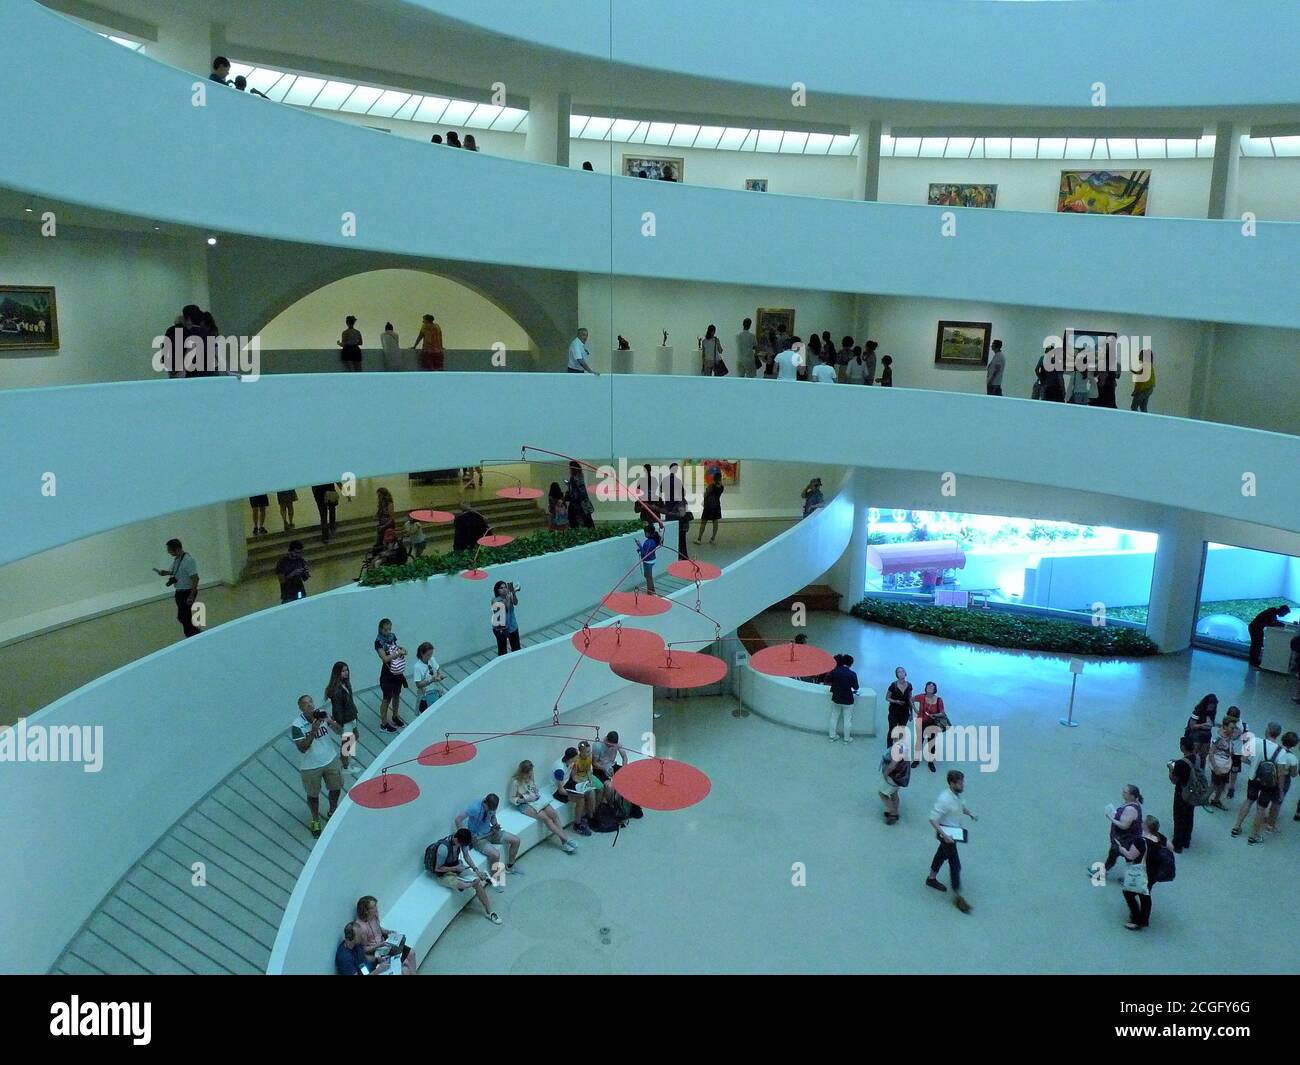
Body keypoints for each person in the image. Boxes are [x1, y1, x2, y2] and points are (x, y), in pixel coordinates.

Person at [290, 694, 343, 837]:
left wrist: (330, 721)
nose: (310, 705)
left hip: (329, 759)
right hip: (310, 766)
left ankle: (333, 810)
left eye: (311, 702)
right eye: (306, 704)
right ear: (301, 708)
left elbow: (340, 731)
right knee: (313, 795)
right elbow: (302, 747)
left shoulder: (322, 715)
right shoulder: (297, 725)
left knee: (336, 787)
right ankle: (315, 820)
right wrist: (313, 730)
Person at [1232, 722, 1292, 844]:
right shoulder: (1281, 752)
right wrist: (1280, 791)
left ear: (1267, 730)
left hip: (1254, 778)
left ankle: (1236, 827)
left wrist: (1254, 764)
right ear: (1278, 734)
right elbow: (1281, 774)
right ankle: (1254, 836)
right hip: (1269, 784)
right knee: (1261, 808)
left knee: (1248, 801)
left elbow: (1243, 758)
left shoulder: (1255, 742)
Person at [427, 827, 502, 924]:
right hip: (444, 873)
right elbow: (437, 868)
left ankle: (489, 912)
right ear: (457, 839)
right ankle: (468, 883)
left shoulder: (461, 841)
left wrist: (476, 870)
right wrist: (455, 869)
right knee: (464, 885)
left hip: (456, 866)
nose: (462, 847)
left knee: (477, 883)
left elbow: (466, 856)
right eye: (462, 845)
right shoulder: (443, 848)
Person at [927, 770, 976, 913]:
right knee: (956, 865)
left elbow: (961, 806)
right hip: (947, 836)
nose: (963, 785)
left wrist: (969, 813)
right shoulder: (944, 799)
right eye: (960, 783)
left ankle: (931, 878)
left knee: (941, 855)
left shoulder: (957, 795)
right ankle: (957, 895)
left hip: (953, 833)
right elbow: (933, 819)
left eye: (962, 782)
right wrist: (944, 836)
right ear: (952, 783)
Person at [509, 760, 577, 852]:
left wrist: (535, 790)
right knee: (546, 818)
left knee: (554, 814)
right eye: (528, 773)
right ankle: (566, 839)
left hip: (535, 799)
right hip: (524, 804)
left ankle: (564, 842)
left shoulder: (530, 776)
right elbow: (512, 799)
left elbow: (534, 788)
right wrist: (525, 799)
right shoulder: (515, 782)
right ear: (523, 772)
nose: (530, 775)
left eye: (531, 772)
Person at [1118, 816, 1169, 932]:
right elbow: (1170, 847)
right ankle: (1144, 919)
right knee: (1145, 894)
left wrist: (1122, 850)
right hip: (1154, 871)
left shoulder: (1140, 841)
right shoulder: (1160, 838)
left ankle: (1136, 919)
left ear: (1146, 826)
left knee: (1128, 892)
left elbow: (1130, 856)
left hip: (1142, 871)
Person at [456, 793, 523, 877]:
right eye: (489, 809)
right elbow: (458, 819)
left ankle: (510, 866)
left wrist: (495, 825)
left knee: (516, 840)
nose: (490, 811)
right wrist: (464, 838)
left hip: (490, 832)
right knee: (495, 854)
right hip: (479, 838)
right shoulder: (474, 808)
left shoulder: (492, 808)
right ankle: (495, 878)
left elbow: (493, 818)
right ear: (485, 803)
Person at [354, 896, 416, 976]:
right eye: (373, 907)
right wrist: (380, 945)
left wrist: (388, 932)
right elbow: (364, 949)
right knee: (405, 964)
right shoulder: (361, 928)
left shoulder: (374, 916)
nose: (376, 909)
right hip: (378, 952)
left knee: (412, 953)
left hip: (386, 944)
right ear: (366, 911)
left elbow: (378, 928)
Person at [1093, 784, 1144, 878]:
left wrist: (1111, 818)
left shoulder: (1130, 809)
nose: (1122, 794)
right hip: (1125, 838)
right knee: (1115, 854)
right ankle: (1107, 872)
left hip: (1126, 839)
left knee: (1125, 856)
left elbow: (1124, 826)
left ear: (1132, 796)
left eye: (1125, 792)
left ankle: (1129, 878)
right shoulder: (1132, 804)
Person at [155, 538, 201, 638]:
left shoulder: (188, 561)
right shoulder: (177, 559)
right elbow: (174, 571)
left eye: (170, 551)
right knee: (183, 616)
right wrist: (164, 573)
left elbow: (195, 578)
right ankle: (194, 631)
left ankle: (191, 635)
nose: (169, 553)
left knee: (184, 616)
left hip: (187, 592)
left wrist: (191, 595)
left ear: (177, 549)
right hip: (179, 591)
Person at [324, 662, 360, 776]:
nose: (346, 672)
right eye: (343, 671)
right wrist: (340, 724)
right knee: (347, 742)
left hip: (351, 716)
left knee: (355, 736)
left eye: (347, 670)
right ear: (337, 673)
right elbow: (338, 708)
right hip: (345, 719)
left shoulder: (345, 684)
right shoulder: (336, 690)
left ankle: (347, 758)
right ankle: (345, 765)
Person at [374, 618, 408, 732]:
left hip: (397, 671)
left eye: (389, 629)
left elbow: (395, 647)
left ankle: (395, 716)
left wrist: (401, 649)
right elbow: (384, 658)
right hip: (387, 673)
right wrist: (397, 653)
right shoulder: (378, 642)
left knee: (397, 695)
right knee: (386, 698)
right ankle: (383, 724)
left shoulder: (392, 637)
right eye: (385, 629)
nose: (388, 632)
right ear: (380, 629)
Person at [552, 746, 595, 836]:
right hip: (557, 790)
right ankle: (577, 824)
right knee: (580, 798)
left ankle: (590, 816)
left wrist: (585, 783)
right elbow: (560, 790)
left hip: (567, 782)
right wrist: (574, 794)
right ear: (572, 757)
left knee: (590, 791)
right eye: (577, 755)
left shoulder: (571, 762)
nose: (578, 756)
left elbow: (573, 777)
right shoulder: (559, 770)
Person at [1168, 736, 1198, 853]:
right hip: (1193, 792)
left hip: (1182, 793)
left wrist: (1171, 769)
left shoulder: (1181, 764)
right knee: (1189, 816)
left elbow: (1174, 780)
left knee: (1179, 817)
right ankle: (1186, 840)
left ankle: (1177, 843)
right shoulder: (1197, 758)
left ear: (1182, 747)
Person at [912, 681, 946, 772]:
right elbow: (911, 699)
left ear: (935, 689)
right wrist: (915, 710)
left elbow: (942, 713)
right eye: (928, 686)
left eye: (932, 687)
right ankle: (916, 760)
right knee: (919, 741)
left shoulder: (939, 700)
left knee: (932, 743)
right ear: (925, 688)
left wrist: (934, 715)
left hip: (932, 723)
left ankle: (930, 762)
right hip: (921, 722)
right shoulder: (921, 697)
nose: (930, 688)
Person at [826, 653, 859, 743]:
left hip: (836, 698)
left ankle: (832, 736)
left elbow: (827, 680)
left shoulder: (835, 671)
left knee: (834, 717)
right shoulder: (852, 674)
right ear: (851, 664)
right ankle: (846, 738)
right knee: (847, 719)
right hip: (848, 700)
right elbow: (856, 687)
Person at [1247, 603, 1290, 668]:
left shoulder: (1272, 611)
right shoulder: (1271, 613)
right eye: (1284, 614)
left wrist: (1281, 624)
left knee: (1257, 644)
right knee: (1256, 645)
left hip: (1255, 628)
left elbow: (1273, 621)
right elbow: (1271, 623)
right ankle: (1253, 661)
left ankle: (1253, 660)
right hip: (1255, 628)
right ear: (1282, 611)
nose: (1284, 615)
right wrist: (1282, 625)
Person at [410, 641, 447, 713]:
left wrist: (439, 676)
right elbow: (418, 684)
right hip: (427, 695)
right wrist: (431, 680)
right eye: (428, 655)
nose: (430, 656)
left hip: (437, 690)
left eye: (431, 654)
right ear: (422, 654)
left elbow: (437, 669)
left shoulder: (432, 659)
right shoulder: (417, 667)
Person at [879, 742, 910, 824]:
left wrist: (885, 774)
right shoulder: (904, 745)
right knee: (894, 793)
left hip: (893, 777)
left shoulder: (897, 748)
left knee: (882, 794)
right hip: (901, 775)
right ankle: (895, 810)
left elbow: (892, 765)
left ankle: (893, 813)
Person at [1208, 718, 1235, 809]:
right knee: (1214, 784)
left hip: (1226, 766)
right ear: (1225, 727)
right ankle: (1204, 800)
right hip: (1218, 765)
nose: (1233, 730)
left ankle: (1216, 800)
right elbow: (1211, 752)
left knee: (1222, 785)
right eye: (1231, 728)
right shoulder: (1218, 738)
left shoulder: (1230, 737)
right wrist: (1215, 767)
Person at [1185, 694, 1218, 768]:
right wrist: (1203, 725)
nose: (1212, 708)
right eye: (1210, 706)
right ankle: (1190, 768)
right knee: (1193, 754)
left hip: (1207, 735)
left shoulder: (1212, 712)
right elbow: (1192, 726)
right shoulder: (1197, 711)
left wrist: (1219, 725)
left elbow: (1211, 722)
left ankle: (1201, 770)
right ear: (1206, 704)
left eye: (1213, 706)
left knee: (1203, 755)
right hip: (1196, 734)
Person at [591, 731, 627, 800]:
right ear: (606, 740)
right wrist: (605, 768)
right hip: (599, 768)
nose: (610, 746)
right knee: (610, 786)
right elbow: (594, 763)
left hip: (612, 765)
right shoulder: (598, 745)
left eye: (612, 745)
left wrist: (624, 769)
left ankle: (621, 801)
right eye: (609, 745)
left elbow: (624, 757)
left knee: (627, 778)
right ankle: (609, 804)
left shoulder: (617, 744)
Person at [885, 666, 913, 746]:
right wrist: (896, 701)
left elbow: (910, 699)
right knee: (892, 729)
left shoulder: (909, 685)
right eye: (899, 672)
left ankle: (898, 746)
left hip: (905, 712)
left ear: (905, 673)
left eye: (902, 671)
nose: (901, 673)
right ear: (897, 675)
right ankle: (889, 748)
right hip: (894, 711)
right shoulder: (893, 685)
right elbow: (887, 698)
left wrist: (911, 713)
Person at [491, 581, 521, 655]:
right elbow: (504, 610)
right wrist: (507, 600)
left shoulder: (509, 596)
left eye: (505, 587)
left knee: (516, 648)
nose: (504, 589)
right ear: (497, 590)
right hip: (501, 629)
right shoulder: (495, 600)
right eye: (501, 588)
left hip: (512, 626)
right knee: (502, 651)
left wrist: (514, 593)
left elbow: (516, 603)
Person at [696, 472, 723, 545]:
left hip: (709, 506)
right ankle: (712, 538)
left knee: (703, 522)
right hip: (716, 505)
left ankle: (699, 539)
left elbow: (706, 494)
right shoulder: (721, 487)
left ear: (714, 478)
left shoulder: (711, 485)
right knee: (715, 522)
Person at [566, 461, 595, 528]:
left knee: (575, 518)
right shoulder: (580, 475)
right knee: (587, 518)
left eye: (570, 468)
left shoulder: (574, 478)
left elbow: (576, 491)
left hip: (578, 502)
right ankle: (591, 531)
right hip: (583, 501)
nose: (569, 470)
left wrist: (572, 497)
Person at [636, 525, 660, 595]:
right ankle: (650, 590)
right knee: (647, 575)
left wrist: (639, 545)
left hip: (648, 561)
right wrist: (640, 549)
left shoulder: (649, 542)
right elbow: (646, 551)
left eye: (645, 532)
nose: (644, 534)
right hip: (650, 560)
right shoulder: (652, 541)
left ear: (648, 533)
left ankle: (651, 591)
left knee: (648, 577)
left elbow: (645, 554)